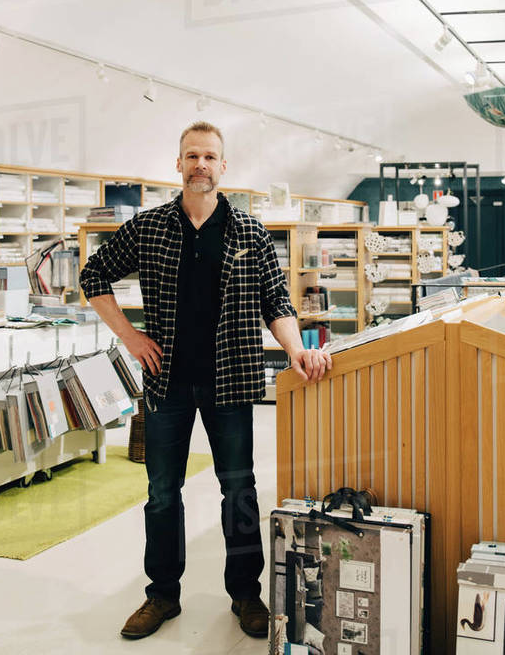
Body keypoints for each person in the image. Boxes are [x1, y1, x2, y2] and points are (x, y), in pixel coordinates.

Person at [80, 121, 332, 641]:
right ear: (178, 164)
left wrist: (296, 350)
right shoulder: (149, 227)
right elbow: (93, 275)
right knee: (161, 493)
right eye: (192, 156)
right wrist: (130, 337)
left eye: (210, 156)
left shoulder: (249, 231)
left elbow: (276, 301)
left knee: (239, 489)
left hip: (231, 381)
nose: (201, 164)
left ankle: (245, 594)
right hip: (166, 381)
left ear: (223, 166)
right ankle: (161, 595)